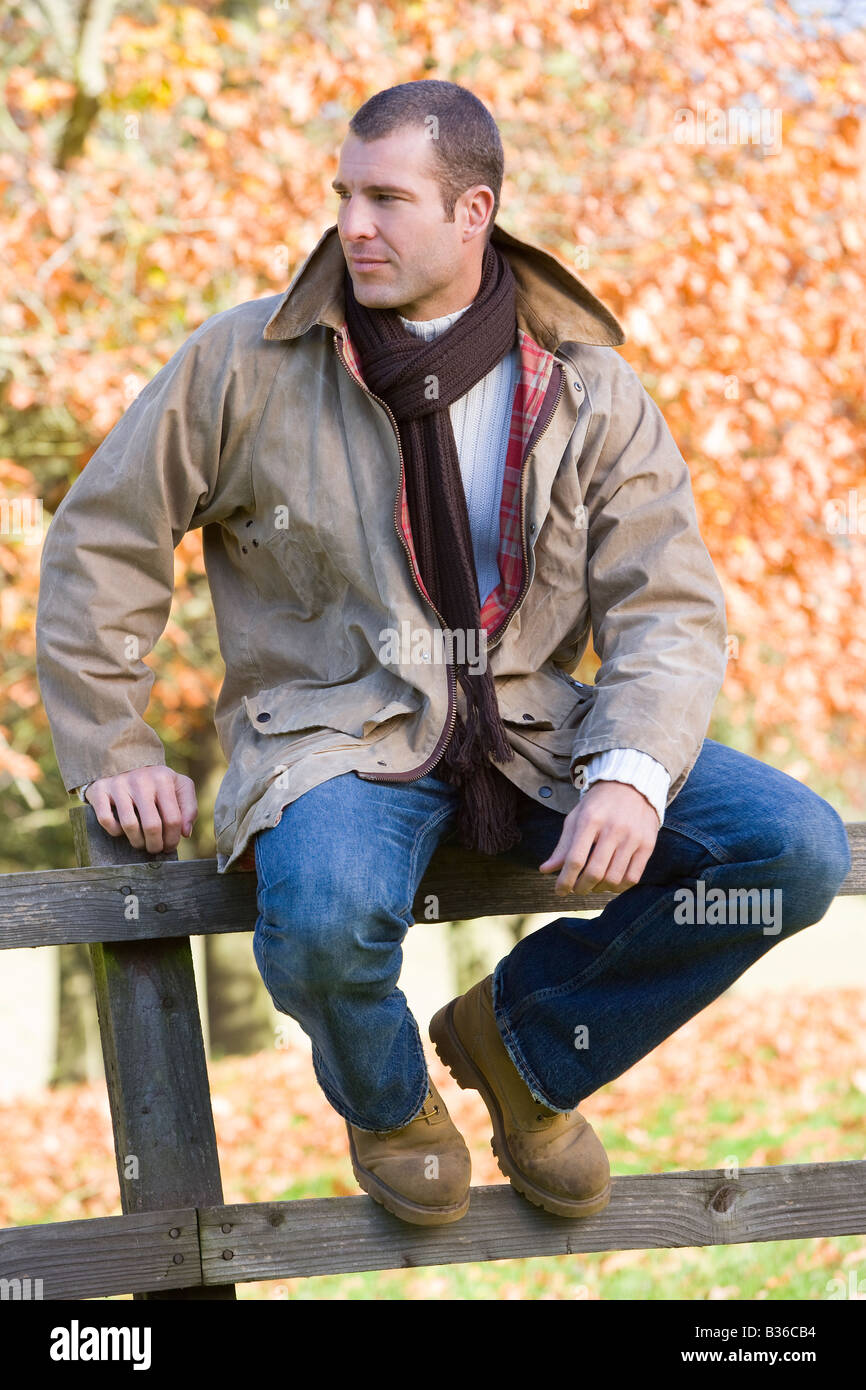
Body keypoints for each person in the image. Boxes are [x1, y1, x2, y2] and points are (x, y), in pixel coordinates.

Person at [36, 80, 852, 1228]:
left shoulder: (585, 386)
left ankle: (526, 1049)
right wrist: (114, 740)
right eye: (343, 196)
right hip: (332, 734)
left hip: (533, 730)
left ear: (472, 213)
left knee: (792, 849)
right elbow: (101, 538)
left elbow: (664, 603)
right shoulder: (245, 362)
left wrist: (628, 767)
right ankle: (390, 1102)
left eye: (385, 199)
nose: (351, 226)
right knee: (319, 913)